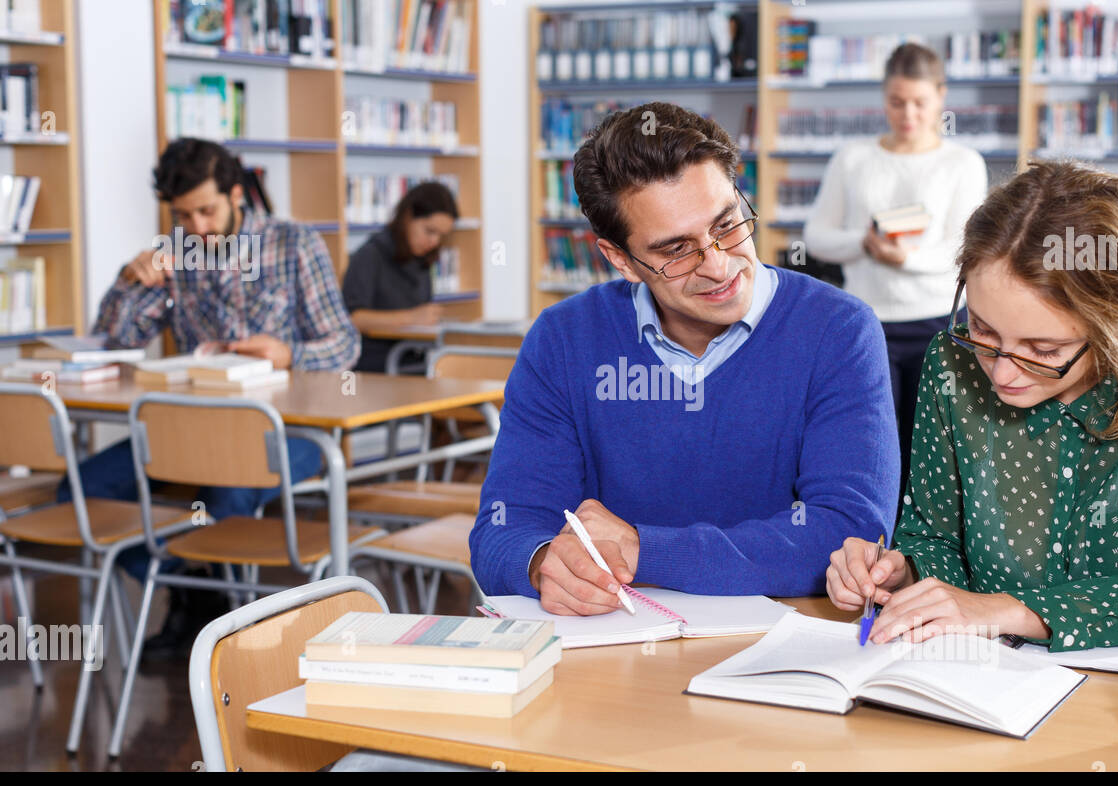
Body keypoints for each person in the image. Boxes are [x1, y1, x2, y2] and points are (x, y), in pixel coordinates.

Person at [469, 102, 899, 614]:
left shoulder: (839, 330)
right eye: (676, 250)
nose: (718, 266)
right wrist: (543, 562)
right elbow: (504, 527)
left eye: (726, 224)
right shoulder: (563, 340)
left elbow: (848, 533)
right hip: (618, 649)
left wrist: (645, 550)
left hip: (784, 654)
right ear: (620, 260)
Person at [825, 160, 1118, 652]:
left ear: (1116, 324)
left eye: (1044, 350)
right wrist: (905, 570)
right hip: (992, 677)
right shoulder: (952, 362)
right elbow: (934, 539)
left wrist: (1006, 610)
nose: (1001, 373)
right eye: (983, 330)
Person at [63, 137, 360, 654]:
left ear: (237, 194)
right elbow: (114, 341)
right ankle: (192, 592)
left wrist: (290, 354)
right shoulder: (176, 253)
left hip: (290, 435)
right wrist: (130, 281)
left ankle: (220, 631)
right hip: (188, 435)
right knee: (79, 492)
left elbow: (345, 343)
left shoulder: (295, 244)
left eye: (207, 210)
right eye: (184, 215)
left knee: (223, 497)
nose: (197, 227)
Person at [803, 42, 987, 483]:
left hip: (938, 323)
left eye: (920, 103)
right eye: (896, 102)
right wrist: (864, 245)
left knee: (932, 443)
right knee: (872, 442)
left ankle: (924, 543)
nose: (908, 114)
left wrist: (904, 258)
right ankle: (876, 534)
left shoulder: (962, 163)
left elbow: (965, 247)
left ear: (941, 97)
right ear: (883, 97)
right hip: (866, 322)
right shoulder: (853, 158)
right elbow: (816, 237)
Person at [342, 181, 459, 373]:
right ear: (407, 217)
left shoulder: (422, 261)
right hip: (376, 367)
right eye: (429, 231)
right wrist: (411, 317)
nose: (434, 241)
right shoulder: (369, 255)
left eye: (441, 236)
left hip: (413, 360)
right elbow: (352, 318)